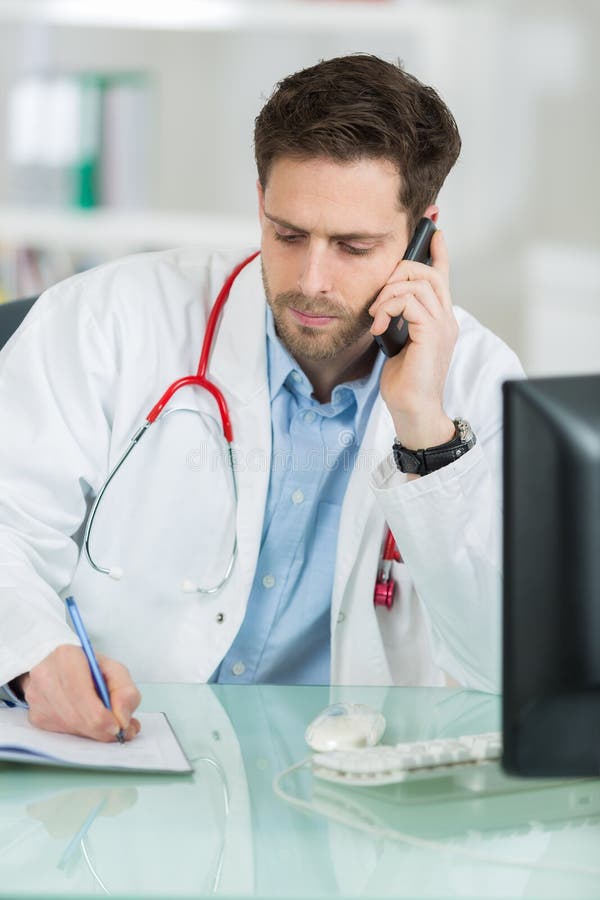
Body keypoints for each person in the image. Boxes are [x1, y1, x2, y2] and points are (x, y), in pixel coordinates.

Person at [0, 54, 522, 741]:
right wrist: (34, 658)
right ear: (259, 203)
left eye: (353, 246)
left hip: (349, 807)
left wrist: (426, 432)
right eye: (288, 234)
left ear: (424, 238)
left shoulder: (478, 382)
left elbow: (502, 663)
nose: (310, 280)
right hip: (125, 768)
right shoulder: (108, 320)